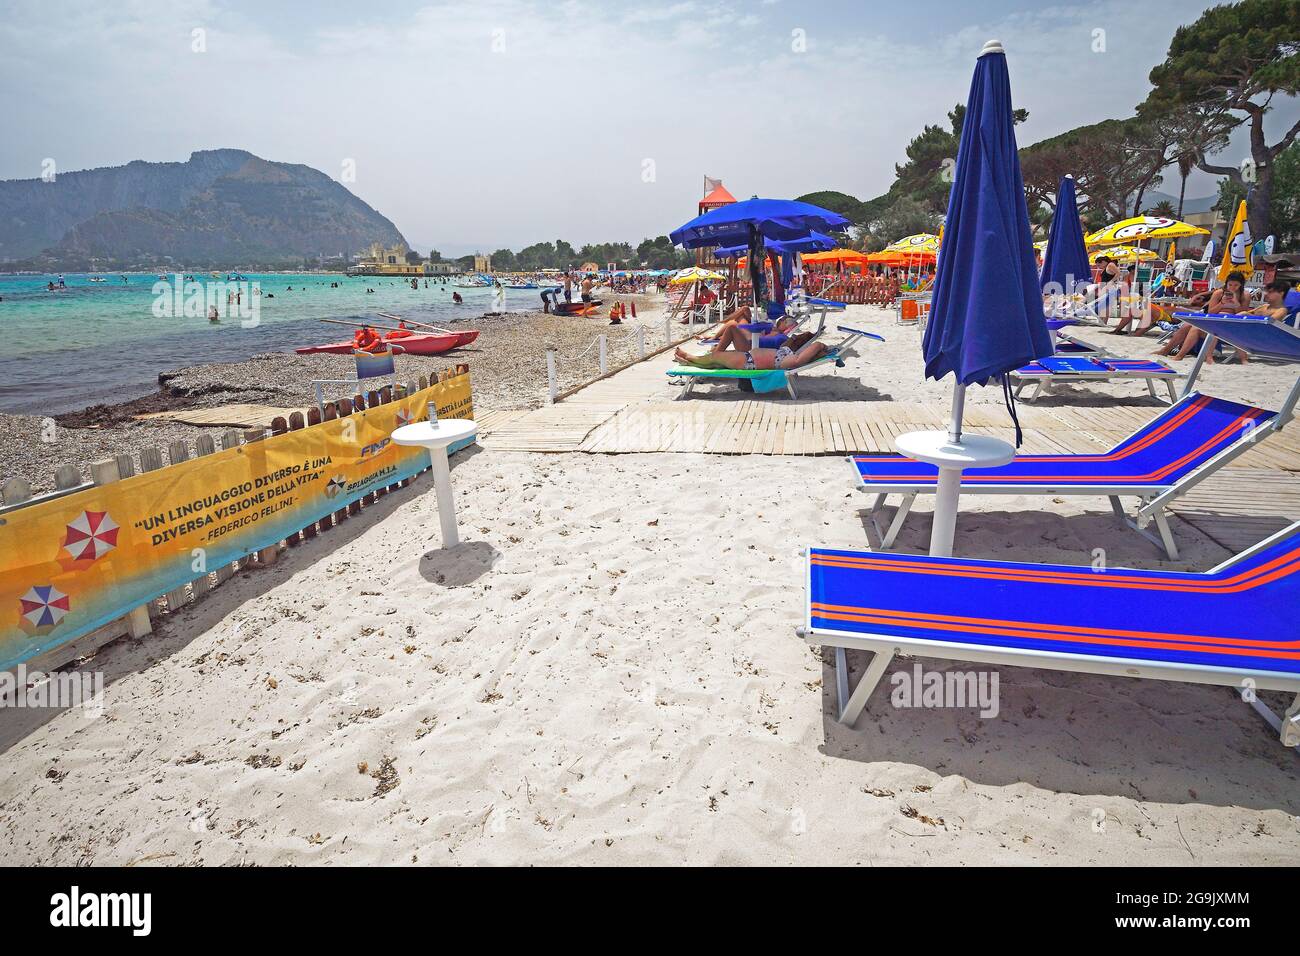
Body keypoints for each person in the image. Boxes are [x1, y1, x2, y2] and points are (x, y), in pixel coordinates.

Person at [1156, 271, 1250, 362]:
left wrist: (1236, 302)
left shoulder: (1245, 295)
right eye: (1230, 285)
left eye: (1236, 285)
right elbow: (1210, 313)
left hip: (1231, 327)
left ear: (1241, 285)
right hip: (1214, 322)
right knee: (1187, 325)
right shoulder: (1219, 293)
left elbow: (1242, 316)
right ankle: (1165, 351)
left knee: (1195, 328)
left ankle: (1179, 355)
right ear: (1226, 284)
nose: (1232, 288)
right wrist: (1221, 304)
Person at [674, 332, 827, 372]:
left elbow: (797, 362)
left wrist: (819, 345)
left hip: (749, 362)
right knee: (717, 362)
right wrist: (794, 339)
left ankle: (689, 357)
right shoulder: (787, 350)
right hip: (748, 359)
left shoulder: (787, 360)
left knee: (716, 356)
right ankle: (690, 361)